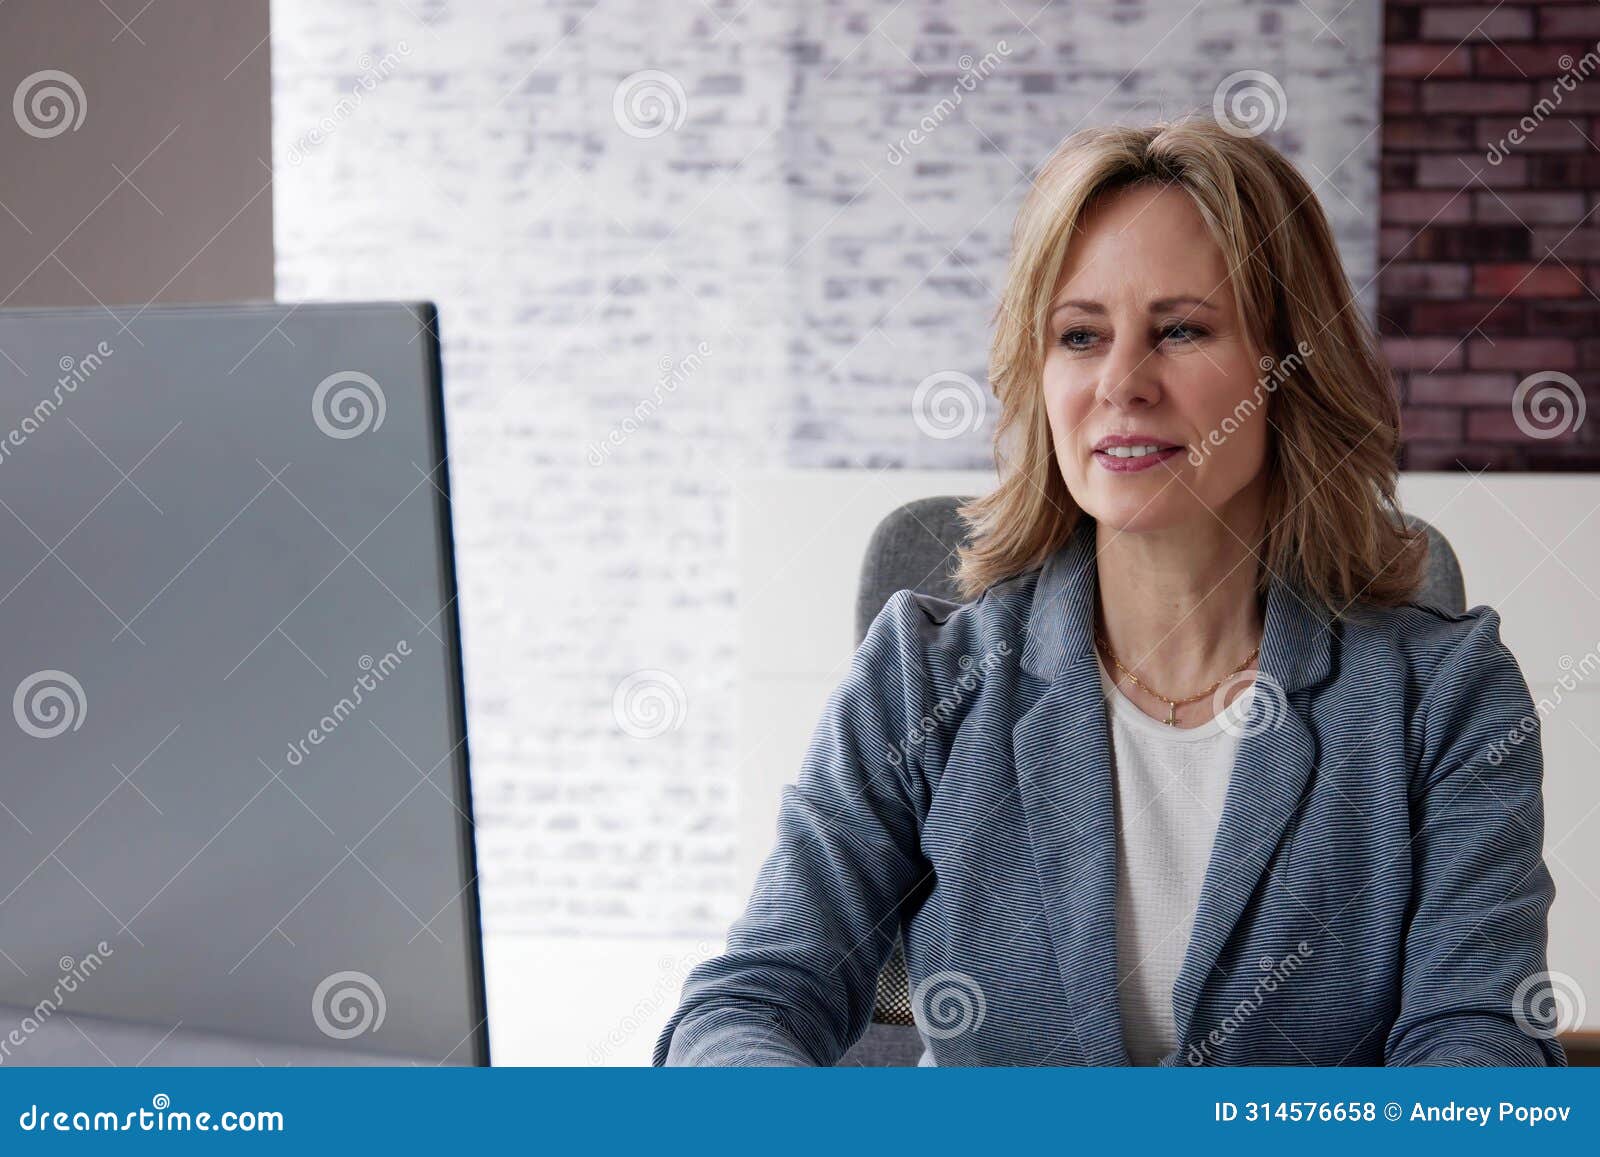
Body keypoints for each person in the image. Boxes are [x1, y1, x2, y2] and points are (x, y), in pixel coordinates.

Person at [653, 114, 1565, 1066]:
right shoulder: (923, 679)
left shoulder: (1445, 696)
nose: (1122, 382)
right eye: (1081, 335)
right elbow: (755, 995)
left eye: (1181, 329)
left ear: (1288, 369)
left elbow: (1479, 1040)